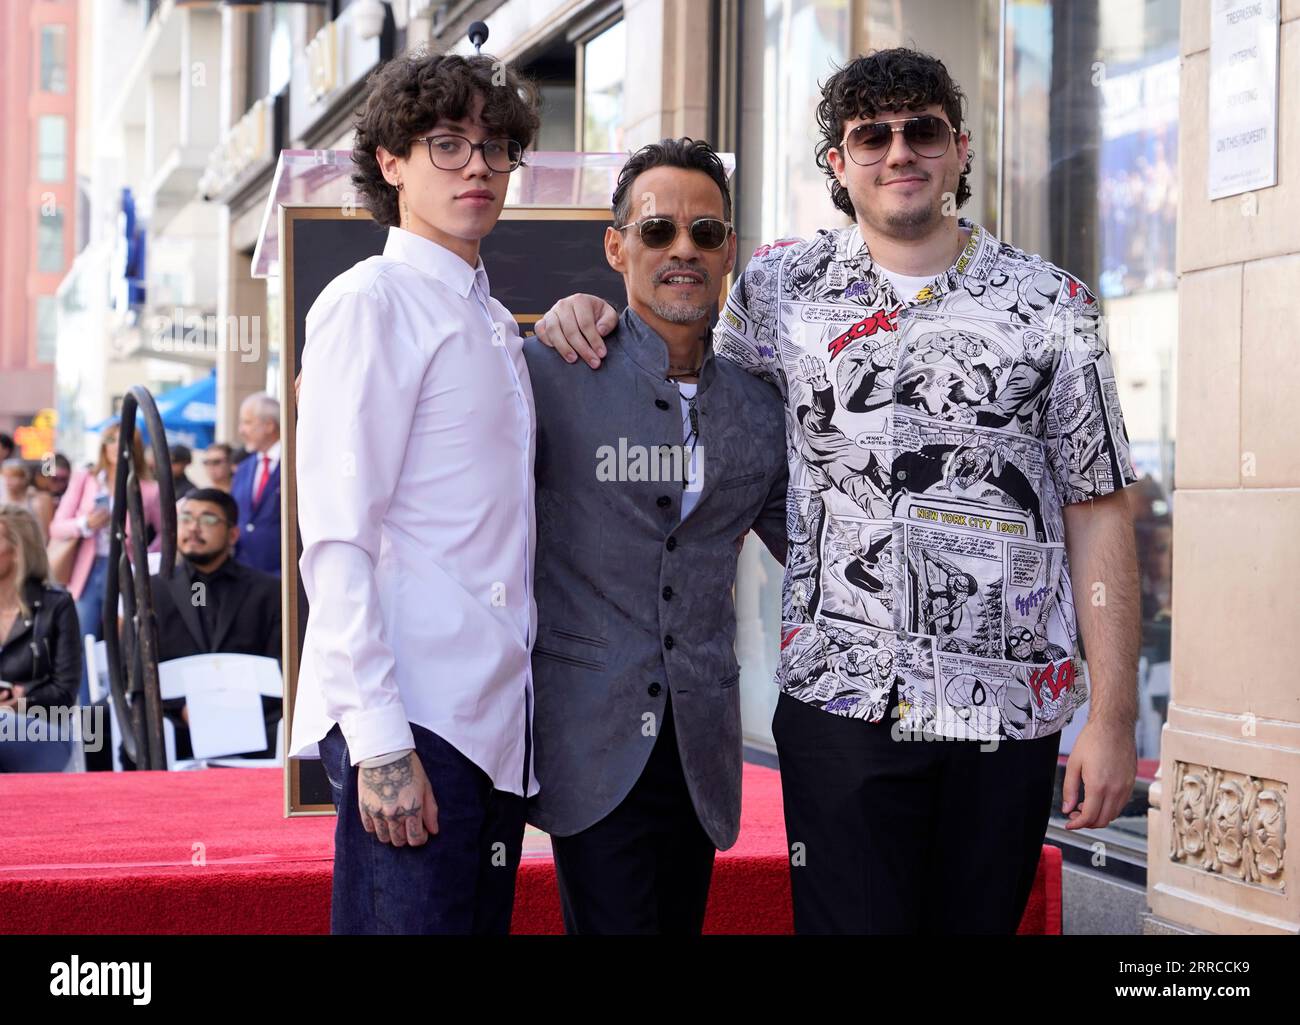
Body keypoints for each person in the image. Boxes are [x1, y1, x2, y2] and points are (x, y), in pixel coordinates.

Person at [536, 47, 1141, 934]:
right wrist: (585, 313)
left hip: (1009, 713)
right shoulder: (779, 289)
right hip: (840, 706)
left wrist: (1114, 717)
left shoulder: (1054, 303)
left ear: (960, 149)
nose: (900, 152)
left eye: (922, 131)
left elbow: (1099, 510)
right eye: (872, 136)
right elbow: (688, 396)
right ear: (839, 163)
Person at [290, 51, 541, 935]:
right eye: (447, 143)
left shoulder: (490, 319)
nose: (478, 164)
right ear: (391, 162)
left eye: (496, 145)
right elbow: (335, 538)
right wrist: (381, 739)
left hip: (489, 723)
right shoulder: (371, 301)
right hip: (413, 719)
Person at [523, 138, 788, 934]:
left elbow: (815, 544)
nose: (684, 250)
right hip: (591, 732)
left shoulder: (757, 403)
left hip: (701, 745)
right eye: (657, 230)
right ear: (616, 246)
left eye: (706, 234)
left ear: (729, 251)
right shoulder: (550, 367)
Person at [88, 489, 282, 770]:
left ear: (233, 535)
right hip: (172, 714)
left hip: (255, 714)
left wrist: (233, 704)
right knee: (93, 718)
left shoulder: (268, 591)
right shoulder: (147, 590)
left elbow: (283, 664)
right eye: (186, 518)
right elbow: (131, 664)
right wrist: (180, 706)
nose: (193, 527)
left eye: (208, 520)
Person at [48, 422, 162, 705]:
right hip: (90, 569)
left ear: (133, 446)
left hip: (127, 568)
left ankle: (120, 704)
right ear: (102, 446)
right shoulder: (85, 479)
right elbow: (57, 527)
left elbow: (165, 532)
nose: (115, 446)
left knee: (126, 640)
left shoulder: (148, 488)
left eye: (123, 440)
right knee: (83, 640)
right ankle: (88, 709)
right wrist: (85, 524)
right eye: (110, 440)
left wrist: (144, 555)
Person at [0, 505, 82, 772]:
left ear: (18, 550)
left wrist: (21, 701)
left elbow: (64, 691)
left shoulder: (56, 605)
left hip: (44, 727)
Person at [231, 394, 281, 576]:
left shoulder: (296, 463)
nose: (241, 430)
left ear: (269, 425)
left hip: (283, 579)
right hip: (243, 576)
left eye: (247, 422)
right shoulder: (243, 469)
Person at [2, 459, 53, 540]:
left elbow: (45, 535)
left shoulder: (37, 502)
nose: (8, 481)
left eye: (13, 476)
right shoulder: (3, 502)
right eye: (6, 476)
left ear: (24, 479)